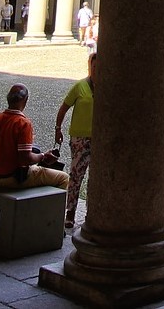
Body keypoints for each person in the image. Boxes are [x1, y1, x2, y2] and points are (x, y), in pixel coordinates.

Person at [0, 83, 70, 191]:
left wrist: (2, 151)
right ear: (26, 100)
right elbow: (25, 159)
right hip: (13, 178)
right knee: (64, 178)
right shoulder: (23, 123)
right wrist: (42, 156)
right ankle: (48, 207)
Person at [54, 52, 96, 230]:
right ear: (89, 66)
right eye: (94, 65)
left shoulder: (108, 86)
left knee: (96, 179)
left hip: (99, 139)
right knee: (76, 176)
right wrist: (58, 129)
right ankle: (70, 213)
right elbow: (64, 108)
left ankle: (93, 213)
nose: (96, 69)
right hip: (79, 138)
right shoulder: (80, 86)